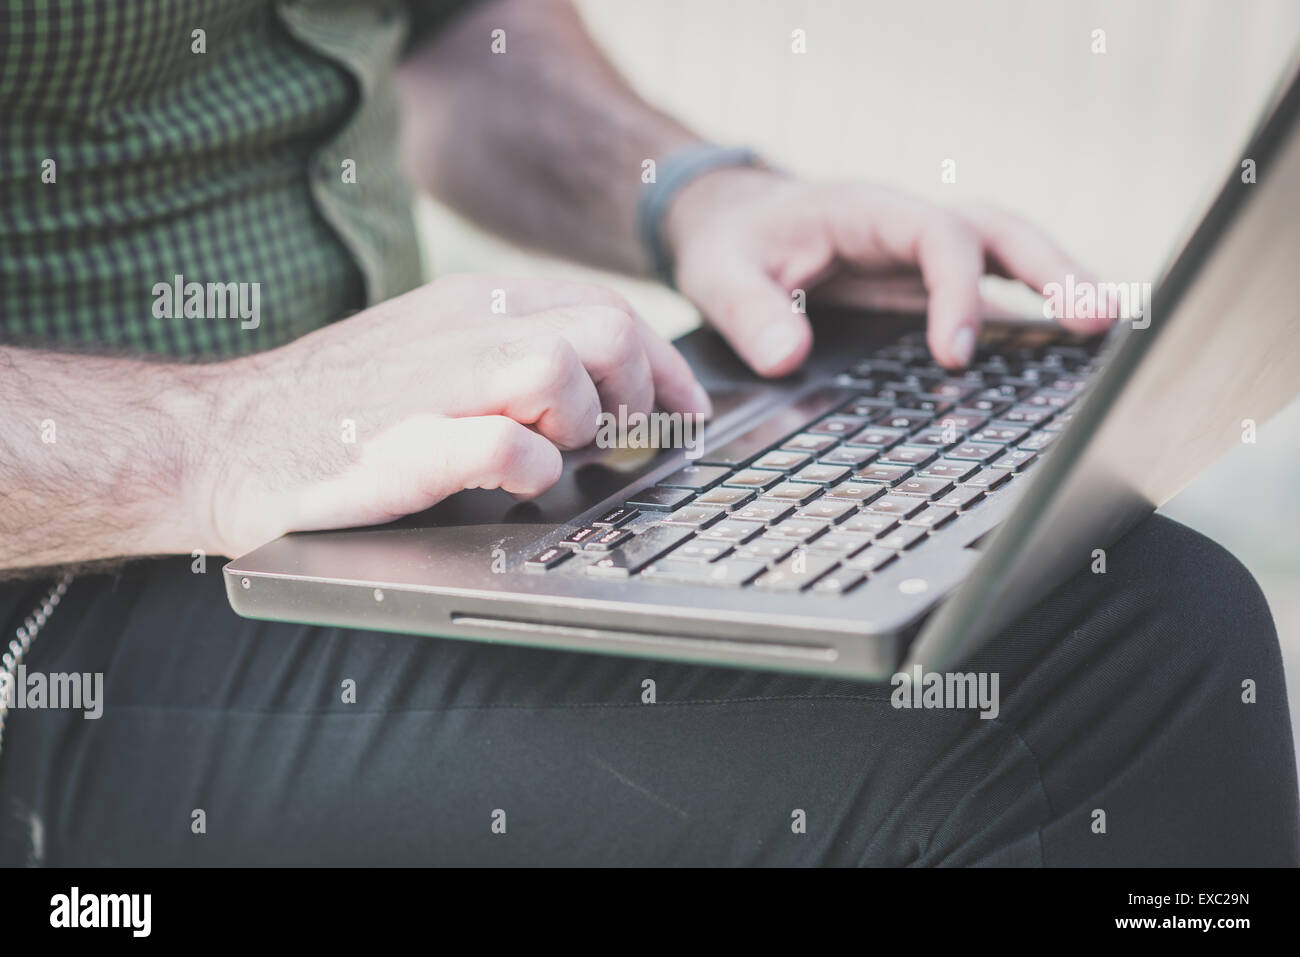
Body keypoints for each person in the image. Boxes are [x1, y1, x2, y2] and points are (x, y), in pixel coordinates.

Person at [0, 0, 1295, 866]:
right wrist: (219, 436)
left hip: (369, 492)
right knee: (1109, 680)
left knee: (1013, 552)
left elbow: (454, 41)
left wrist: (692, 192)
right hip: (55, 587)